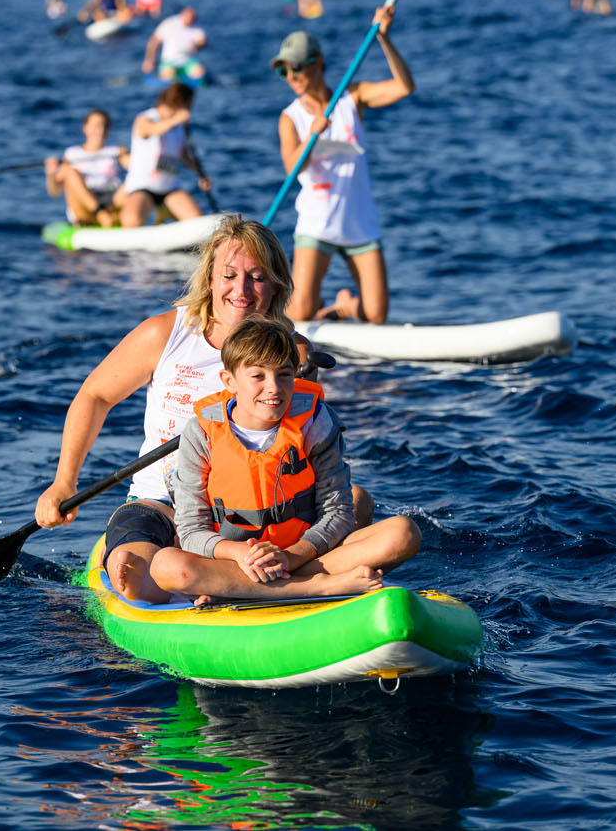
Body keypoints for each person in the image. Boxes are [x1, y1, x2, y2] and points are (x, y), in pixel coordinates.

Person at [33, 216, 375, 603]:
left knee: (358, 501)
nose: (241, 290)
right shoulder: (165, 334)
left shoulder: (291, 351)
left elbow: (305, 444)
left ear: (276, 284)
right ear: (209, 279)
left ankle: (240, 579)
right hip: (164, 504)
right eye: (228, 275)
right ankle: (257, 580)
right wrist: (65, 482)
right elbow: (95, 397)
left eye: (257, 277)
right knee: (130, 574)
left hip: (260, 511)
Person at [147, 318, 419, 602]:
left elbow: (337, 511)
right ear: (229, 382)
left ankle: (236, 590)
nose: (274, 387)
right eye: (258, 376)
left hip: (304, 553)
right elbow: (191, 529)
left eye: (284, 374)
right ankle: (318, 587)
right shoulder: (200, 432)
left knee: (403, 532)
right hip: (234, 560)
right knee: (166, 565)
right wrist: (239, 553)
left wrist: (290, 557)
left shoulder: (315, 422)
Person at [272, 7, 413, 323]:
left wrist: (384, 39)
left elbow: (405, 87)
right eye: (284, 72)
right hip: (317, 222)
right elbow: (290, 169)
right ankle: (317, 308)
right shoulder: (290, 117)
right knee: (300, 313)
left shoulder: (353, 97)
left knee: (376, 316)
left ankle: (346, 306)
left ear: (317, 63)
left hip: (359, 222)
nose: (291, 78)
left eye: (296, 68)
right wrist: (312, 135)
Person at [117, 83, 209, 228]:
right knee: (131, 220)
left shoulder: (180, 127)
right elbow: (154, 130)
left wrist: (201, 175)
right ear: (181, 102)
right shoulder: (145, 119)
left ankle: (165, 216)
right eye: (190, 104)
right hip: (142, 187)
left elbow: (184, 156)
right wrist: (176, 120)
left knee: (196, 219)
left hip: (169, 189)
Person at [45, 110, 128, 226]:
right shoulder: (72, 154)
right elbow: (54, 192)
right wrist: (51, 173)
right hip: (84, 206)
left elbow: (135, 166)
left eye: (103, 125)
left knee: (136, 176)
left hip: (112, 202)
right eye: (95, 125)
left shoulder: (117, 151)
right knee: (70, 172)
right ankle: (100, 214)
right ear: (85, 128)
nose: (100, 130)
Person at [141, 6, 207, 84]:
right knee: (168, 77)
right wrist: (149, 60)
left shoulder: (197, 26)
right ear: (182, 15)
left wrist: (197, 46)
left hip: (187, 61)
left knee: (200, 72)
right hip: (169, 61)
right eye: (188, 18)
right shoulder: (169, 23)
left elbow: (203, 41)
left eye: (192, 19)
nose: (190, 21)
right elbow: (154, 41)